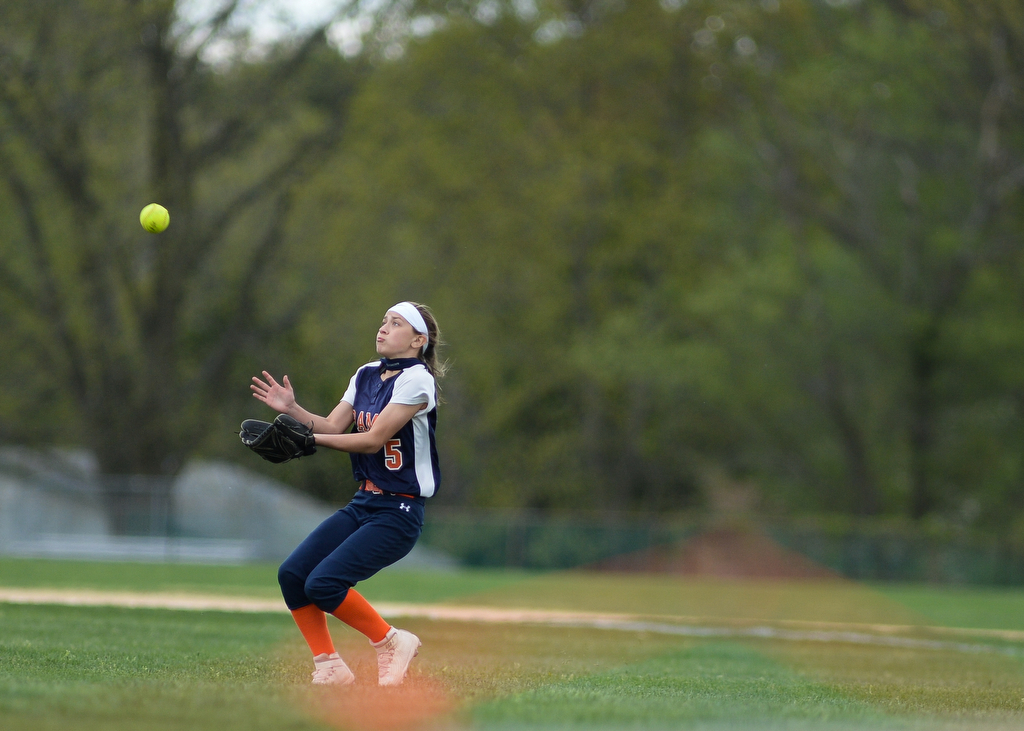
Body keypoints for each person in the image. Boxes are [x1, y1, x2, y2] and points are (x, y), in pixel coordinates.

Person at [250, 301, 444, 687]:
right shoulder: (366, 374)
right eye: (383, 321)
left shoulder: (418, 380)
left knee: (323, 583)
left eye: (396, 323)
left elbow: (372, 441)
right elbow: (332, 426)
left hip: (399, 511)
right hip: (365, 502)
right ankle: (330, 666)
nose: (383, 328)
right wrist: (293, 411)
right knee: (293, 575)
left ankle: (391, 641)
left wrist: (308, 440)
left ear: (418, 340)